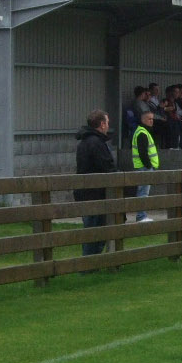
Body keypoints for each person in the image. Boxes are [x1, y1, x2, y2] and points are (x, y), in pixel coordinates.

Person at [74, 109, 117, 257]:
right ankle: (90, 263)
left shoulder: (85, 142)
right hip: (95, 193)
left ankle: (91, 262)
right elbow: (107, 166)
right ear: (102, 124)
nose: (108, 126)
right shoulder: (96, 143)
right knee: (95, 233)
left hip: (86, 192)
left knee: (92, 231)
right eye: (107, 122)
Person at [130, 109, 159, 223]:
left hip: (144, 167)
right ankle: (141, 216)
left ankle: (142, 215)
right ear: (143, 120)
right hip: (144, 167)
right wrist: (149, 165)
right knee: (143, 193)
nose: (152, 121)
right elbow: (143, 153)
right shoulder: (142, 133)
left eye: (152, 119)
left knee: (143, 192)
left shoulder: (142, 132)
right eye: (149, 119)